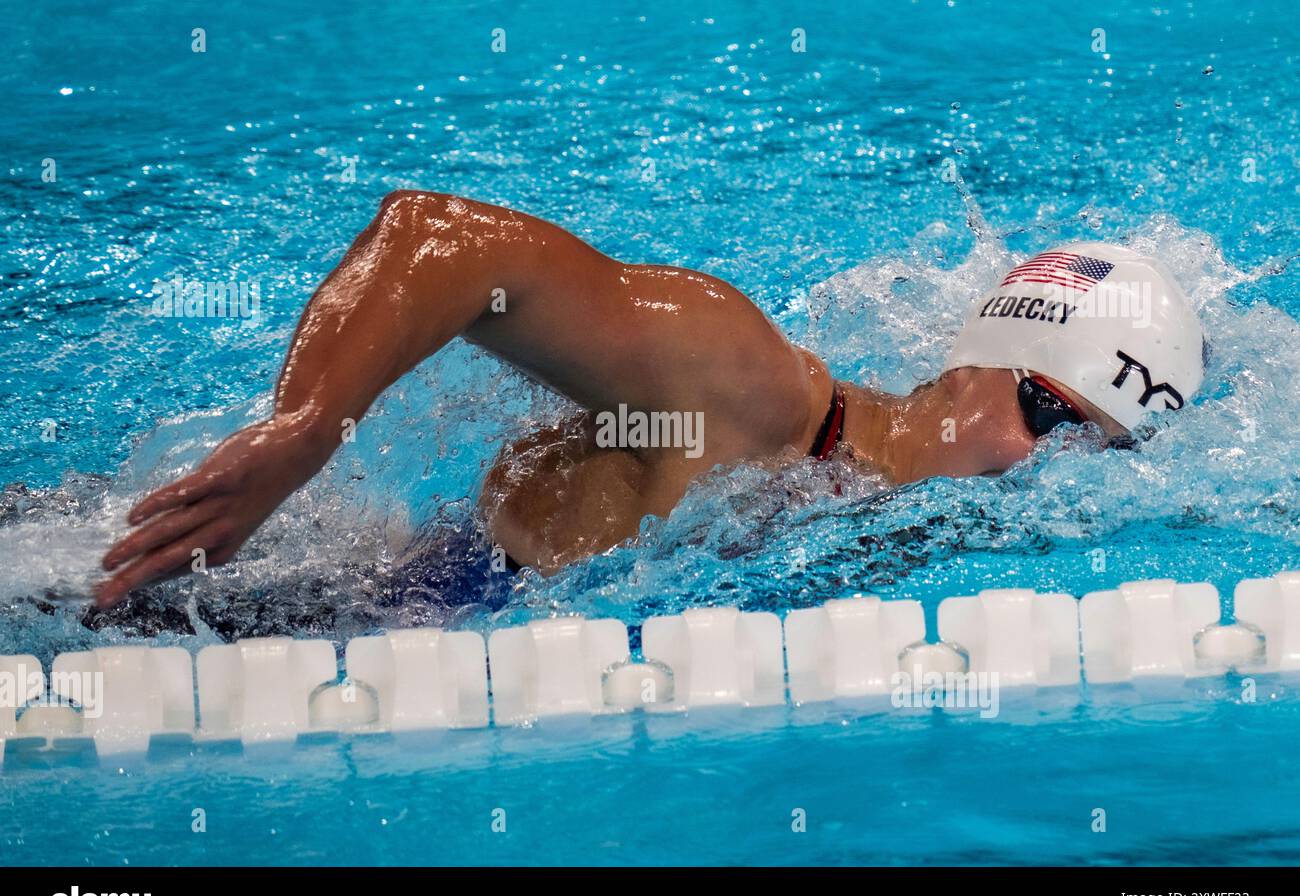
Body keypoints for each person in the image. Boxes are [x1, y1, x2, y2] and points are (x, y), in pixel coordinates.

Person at [93, 192, 1205, 608]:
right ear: (979, 359)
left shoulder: (882, 510)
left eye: (1092, 450)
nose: (1046, 467)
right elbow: (438, 243)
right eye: (1048, 414)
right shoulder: (752, 388)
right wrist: (303, 434)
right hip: (230, 590)